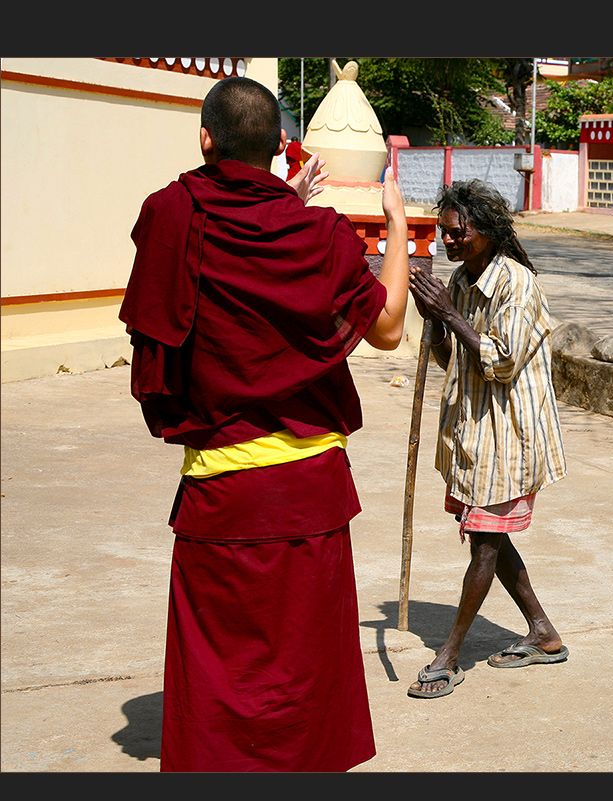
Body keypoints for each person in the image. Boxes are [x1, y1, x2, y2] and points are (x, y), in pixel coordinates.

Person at [118, 75, 410, 771]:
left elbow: (166, 344)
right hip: (310, 494)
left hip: (221, 494)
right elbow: (390, 328)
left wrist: (285, 201)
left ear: (204, 139)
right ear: (282, 147)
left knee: (220, 689)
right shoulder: (319, 233)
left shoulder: (172, 213)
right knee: (308, 684)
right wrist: (396, 224)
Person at [405, 179, 569, 699]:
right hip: (476, 430)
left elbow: (499, 362)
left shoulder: (518, 286)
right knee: (489, 536)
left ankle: (450, 653)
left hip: (512, 432)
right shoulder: (460, 281)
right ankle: (542, 632)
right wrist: (433, 317)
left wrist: (449, 315)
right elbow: (451, 358)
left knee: (485, 541)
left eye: (457, 234)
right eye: (444, 233)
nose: (448, 242)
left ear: (488, 232)